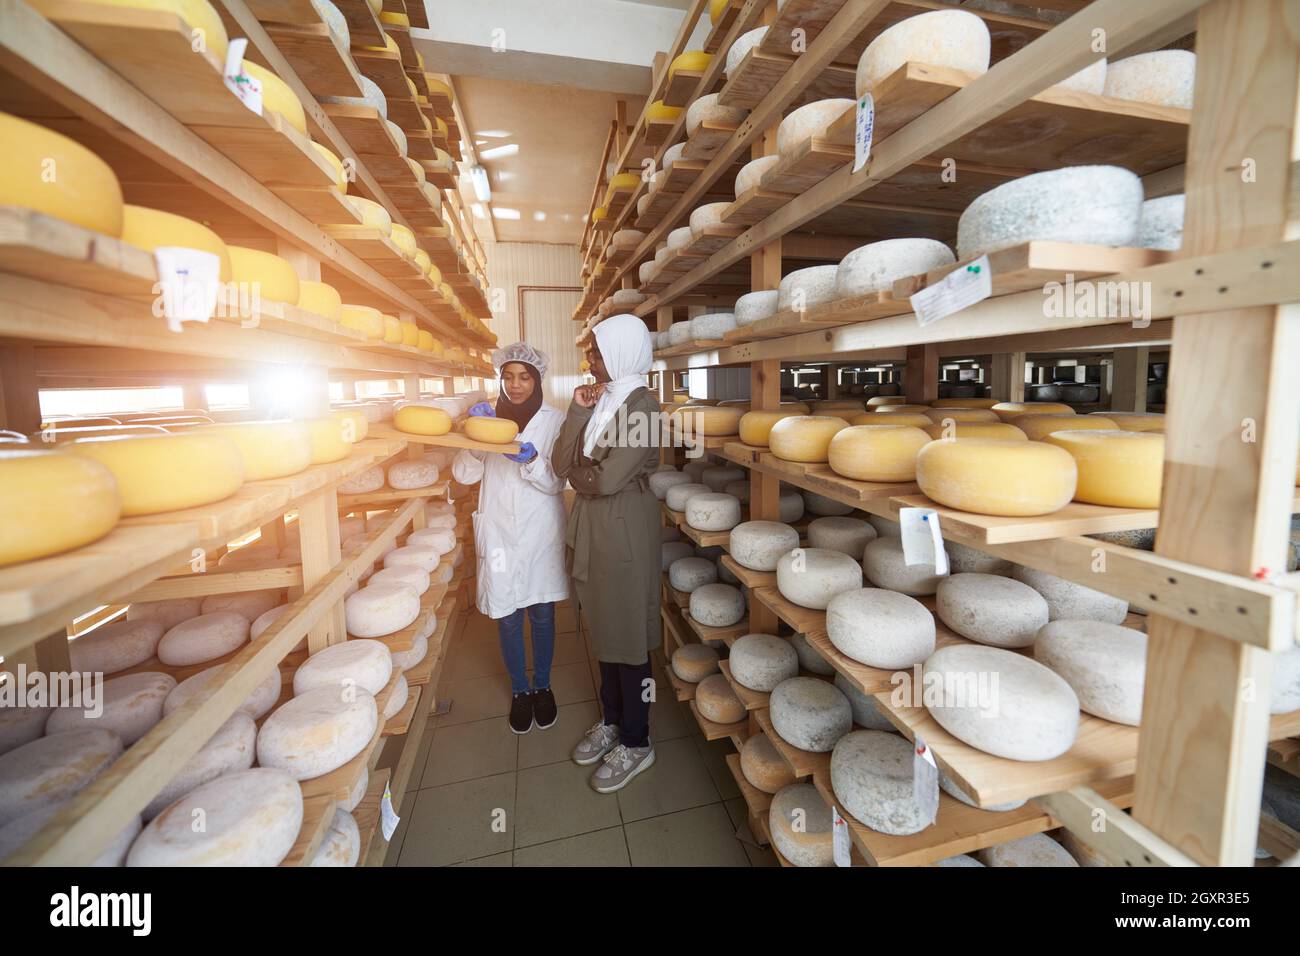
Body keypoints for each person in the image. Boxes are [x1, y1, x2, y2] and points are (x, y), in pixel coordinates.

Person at [552, 314, 661, 793]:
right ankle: (613, 722)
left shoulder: (642, 406)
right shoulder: (601, 401)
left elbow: (609, 479)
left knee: (628, 636)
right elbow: (560, 463)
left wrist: (581, 472)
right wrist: (577, 412)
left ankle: (638, 742)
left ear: (619, 352)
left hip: (623, 527)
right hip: (597, 522)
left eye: (596, 352)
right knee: (605, 626)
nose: (590, 362)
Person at [453, 343, 567, 735]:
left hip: (540, 528)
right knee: (507, 615)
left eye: (525, 377)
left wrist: (532, 461)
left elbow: (557, 483)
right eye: (509, 377)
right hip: (499, 529)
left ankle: (543, 685)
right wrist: (474, 437)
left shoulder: (556, 421)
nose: (516, 385)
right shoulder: (488, 419)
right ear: (500, 379)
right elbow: (465, 475)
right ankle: (520, 690)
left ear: (537, 380)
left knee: (542, 613)